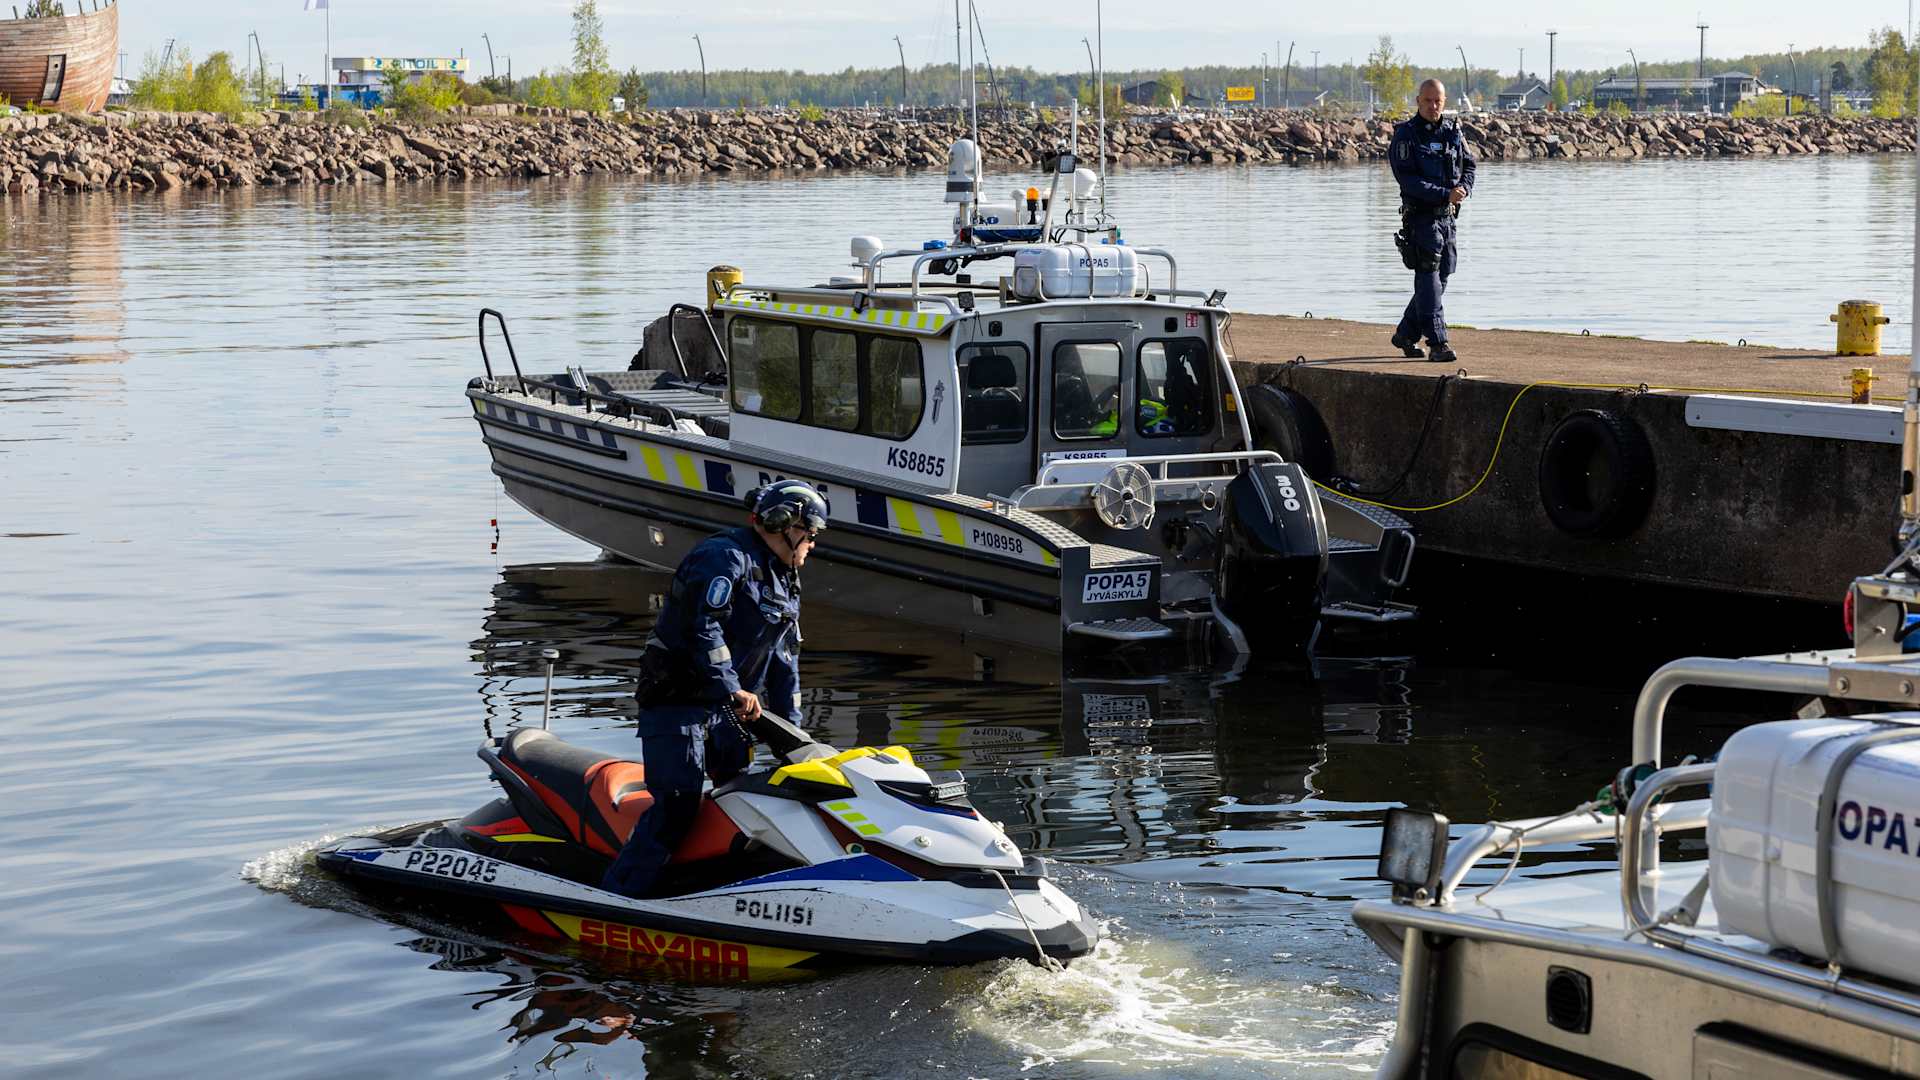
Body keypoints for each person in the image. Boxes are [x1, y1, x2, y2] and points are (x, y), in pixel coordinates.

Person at [599, 479, 827, 898]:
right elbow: (704, 625)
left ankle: (716, 889)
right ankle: (620, 897)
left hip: (728, 710)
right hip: (678, 702)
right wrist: (732, 688)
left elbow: (784, 660)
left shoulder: (783, 577)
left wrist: (795, 741)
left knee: (739, 797)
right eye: (810, 534)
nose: (812, 544)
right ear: (785, 525)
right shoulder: (723, 557)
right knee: (678, 806)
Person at [1389, 78, 1476, 364]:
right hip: (1422, 220)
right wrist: (1444, 194)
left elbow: (1470, 165)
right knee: (1428, 280)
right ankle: (1438, 342)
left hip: (1447, 219)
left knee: (1442, 277)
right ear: (1418, 101)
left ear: (1444, 101)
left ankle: (1405, 334)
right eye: (1427, 100)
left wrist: (1464, 188)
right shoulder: (1406, 136)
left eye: (1437, 100)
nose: (1433, 105)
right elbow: (1409, 181)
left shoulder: (1453, 132)